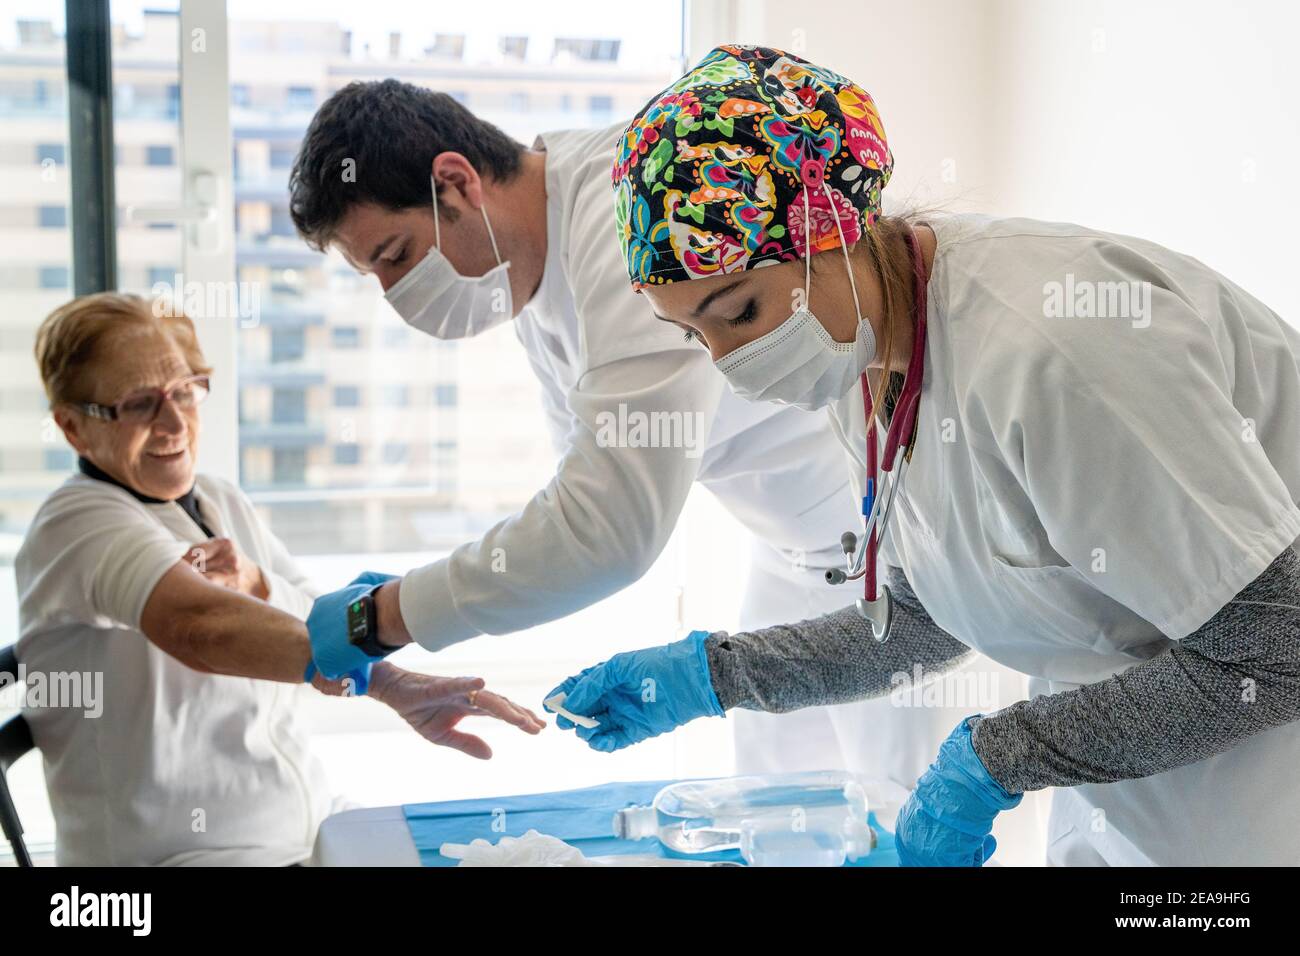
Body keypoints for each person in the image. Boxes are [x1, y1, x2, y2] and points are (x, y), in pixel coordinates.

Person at [546, 44, 1300, 866]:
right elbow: (933, 612)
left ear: (829, 227)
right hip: (1136, 773)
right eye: (695, 333)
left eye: (740, 310)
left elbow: (1277, 645)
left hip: (1268, 780)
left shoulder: (1058, 349)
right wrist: (717, 674)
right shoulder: (862, 354)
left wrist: (994, 758)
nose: (728, 362)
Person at [286, 78, 1016, 798]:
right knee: (774, 812)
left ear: (456, 183)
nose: (393, 294)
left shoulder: (621, 219)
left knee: (887, 818)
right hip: (792, 553)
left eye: (394, 255)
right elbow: (581, 491)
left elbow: (606, 529)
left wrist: (384, 615)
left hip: (891, 565)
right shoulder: (535, 273)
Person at [15, 293, 543, 866]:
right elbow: (199, 628)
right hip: (177, 860)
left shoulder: (218, 499)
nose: (174, 422)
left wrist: (258, 584)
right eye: (140, 404)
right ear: (72, 427)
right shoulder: (77, 524)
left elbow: (313, 611)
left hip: (307, 826)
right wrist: (386, 680)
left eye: (186, 390)